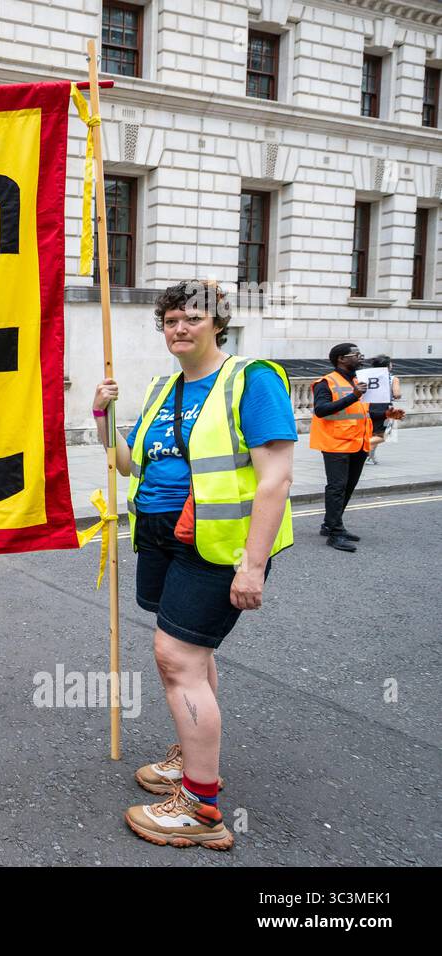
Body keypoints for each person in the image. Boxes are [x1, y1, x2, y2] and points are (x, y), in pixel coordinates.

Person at [92, 280, 296, 851]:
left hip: (217, 545)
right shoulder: (164, 388)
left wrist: (252, 565)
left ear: (217, 323)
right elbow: (128, 464)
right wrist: (103, 415)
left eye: (190, 319)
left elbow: (276, 478)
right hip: (161, 538)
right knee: (192, 653)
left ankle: (201, 808)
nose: (178, 329)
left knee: (174, 657)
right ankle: (191, 755)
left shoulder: (251, 380)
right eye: (170, 321)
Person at [309, 343, 373, 551]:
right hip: (335, 443)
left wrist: (389, 414)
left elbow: (361, 411)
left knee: (348, 486)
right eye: (356, 354)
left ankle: (331, 525)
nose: (361, 357)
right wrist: (353, 395)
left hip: (358, 442)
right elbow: (321, 410)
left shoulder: (358, 381)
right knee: (336, 487)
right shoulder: (325, 382)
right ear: (341, 359)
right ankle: (335, 534)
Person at [365, 354, 403, 465]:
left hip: (368, 408)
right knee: (385, 435)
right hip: (384, 409)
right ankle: (362, 446)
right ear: (387, 366)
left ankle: (370, 458)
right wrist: (398, 395)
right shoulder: (393, 378)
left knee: (373, 433)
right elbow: (397, 394)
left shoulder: (367, 377)